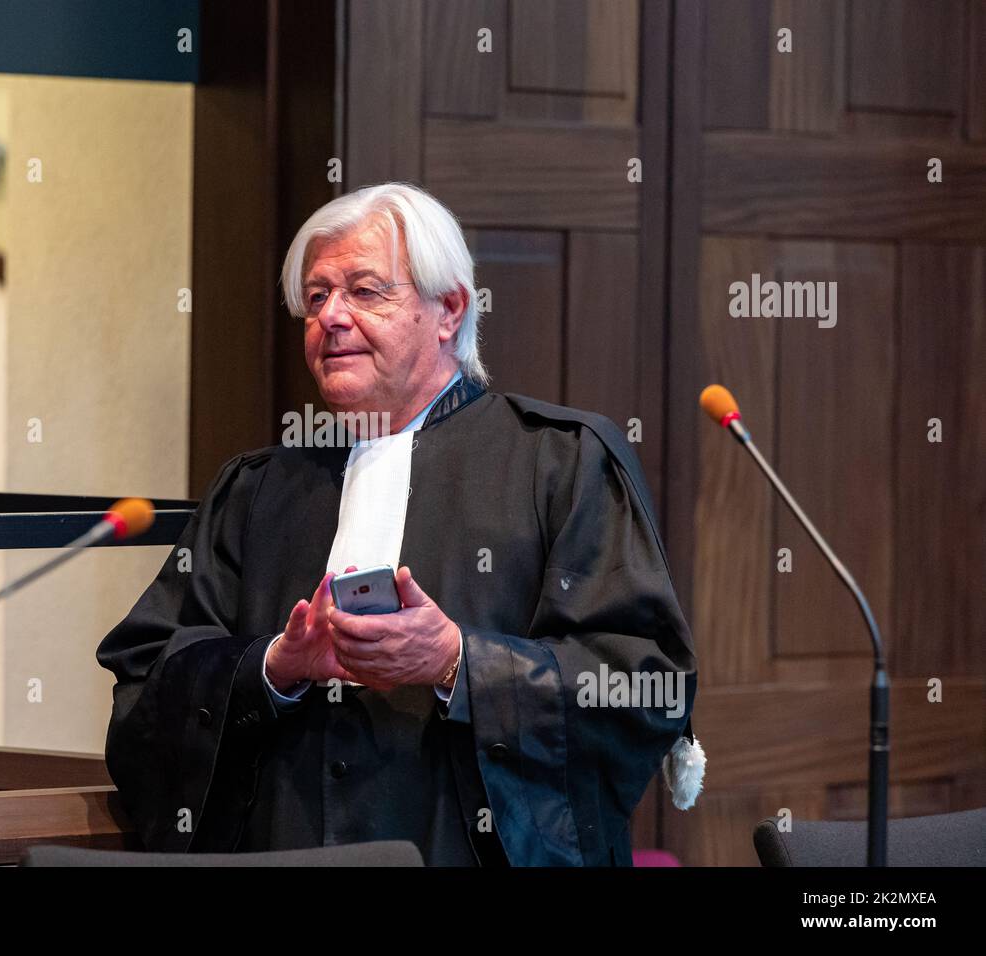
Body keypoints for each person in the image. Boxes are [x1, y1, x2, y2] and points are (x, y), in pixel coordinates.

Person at [97, 182, 700, 866]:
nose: (332, 318)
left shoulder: (562, 462)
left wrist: (456, 661)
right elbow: (146, 682)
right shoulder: (257, 488)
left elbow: (645, 686)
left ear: (449, 311)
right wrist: (270, 667)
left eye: (365, 291)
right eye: (317, 298)